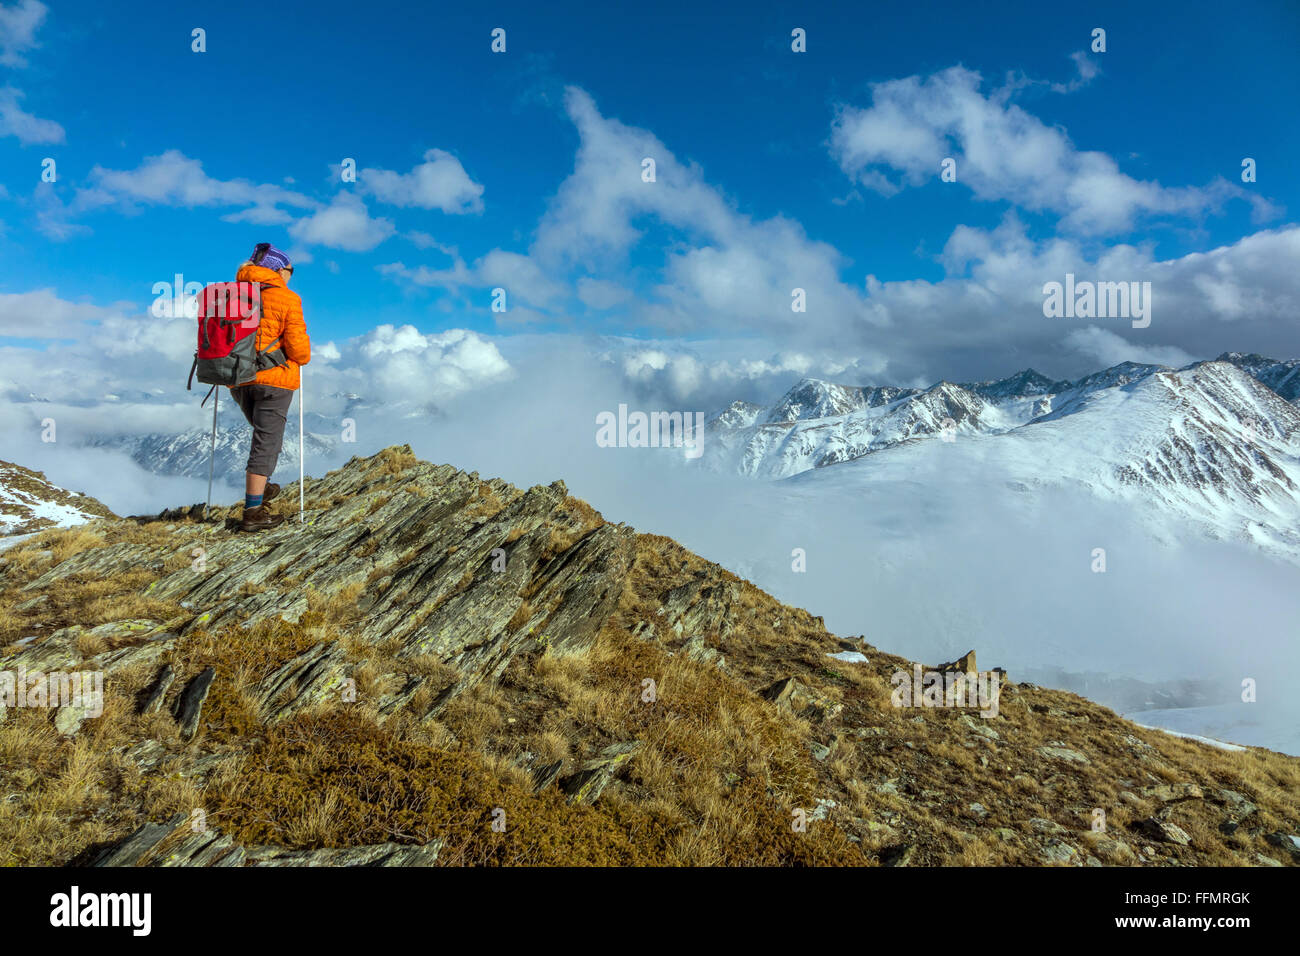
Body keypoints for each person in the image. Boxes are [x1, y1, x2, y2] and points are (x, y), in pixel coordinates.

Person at [229, 242, 311, 532]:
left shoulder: (231, 294)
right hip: (273, 380)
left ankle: (259, 492)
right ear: (278, 269)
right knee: (267, 443)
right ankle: (253, 513)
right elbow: (299, 352)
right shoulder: (287, 298)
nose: (291, 275)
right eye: (290, 270)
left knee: (263, 439)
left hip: (237, 378)